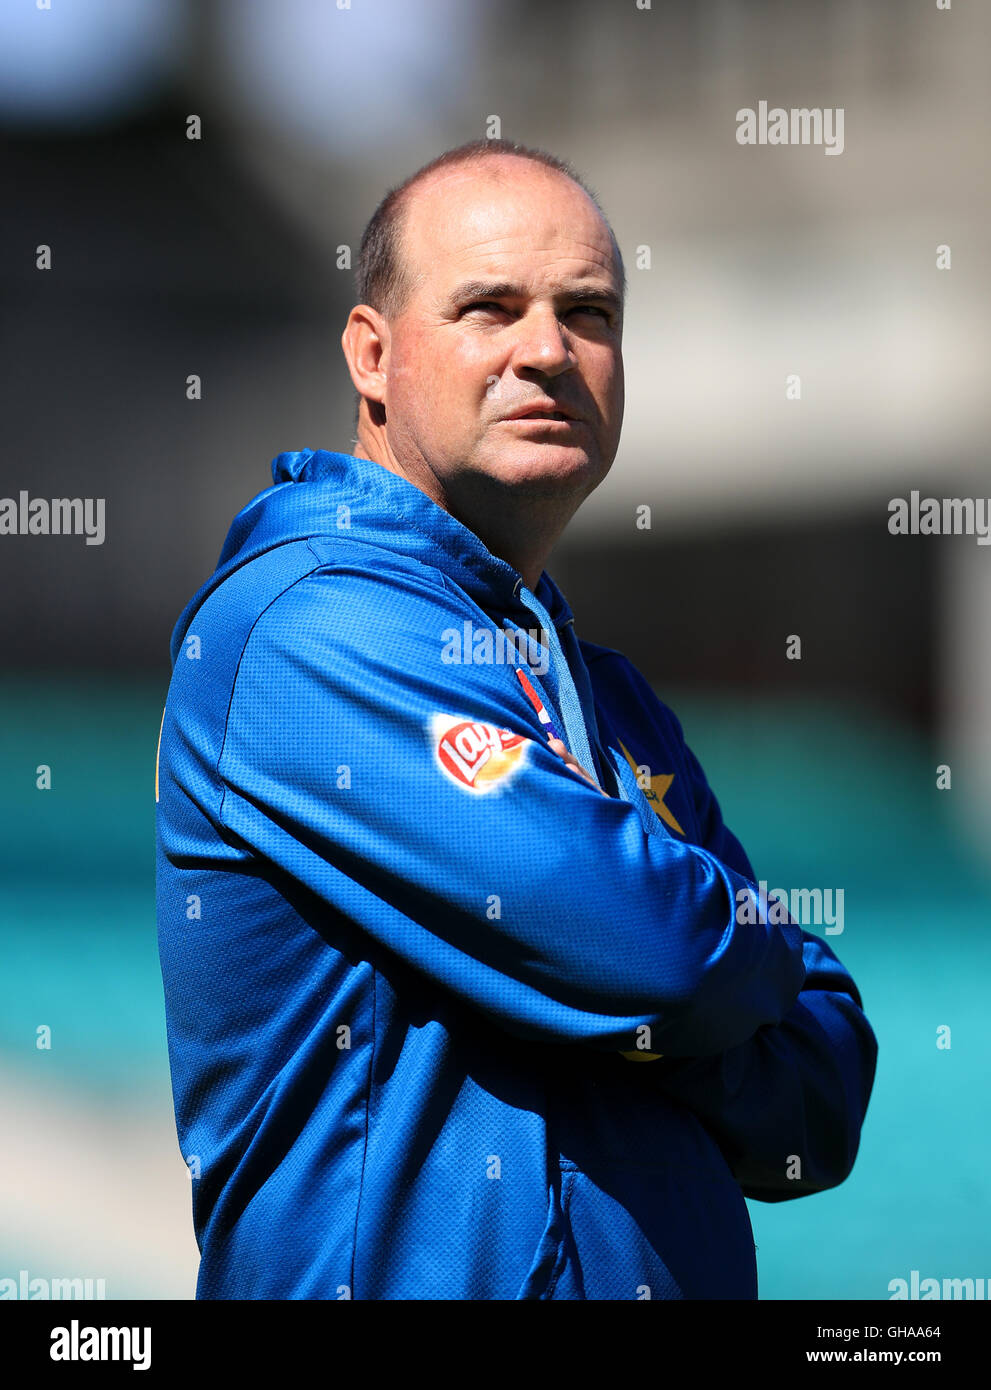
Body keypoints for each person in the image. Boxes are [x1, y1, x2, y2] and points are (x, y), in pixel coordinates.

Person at [155, 138, 878, 1300]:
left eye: (587, 312)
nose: (547, 349)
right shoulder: (301, 631)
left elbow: (823, 1089)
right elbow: (662, 955)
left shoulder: (612, 696)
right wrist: (688, 974)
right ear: (372, 354)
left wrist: (654, 971)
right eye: (489, 307)